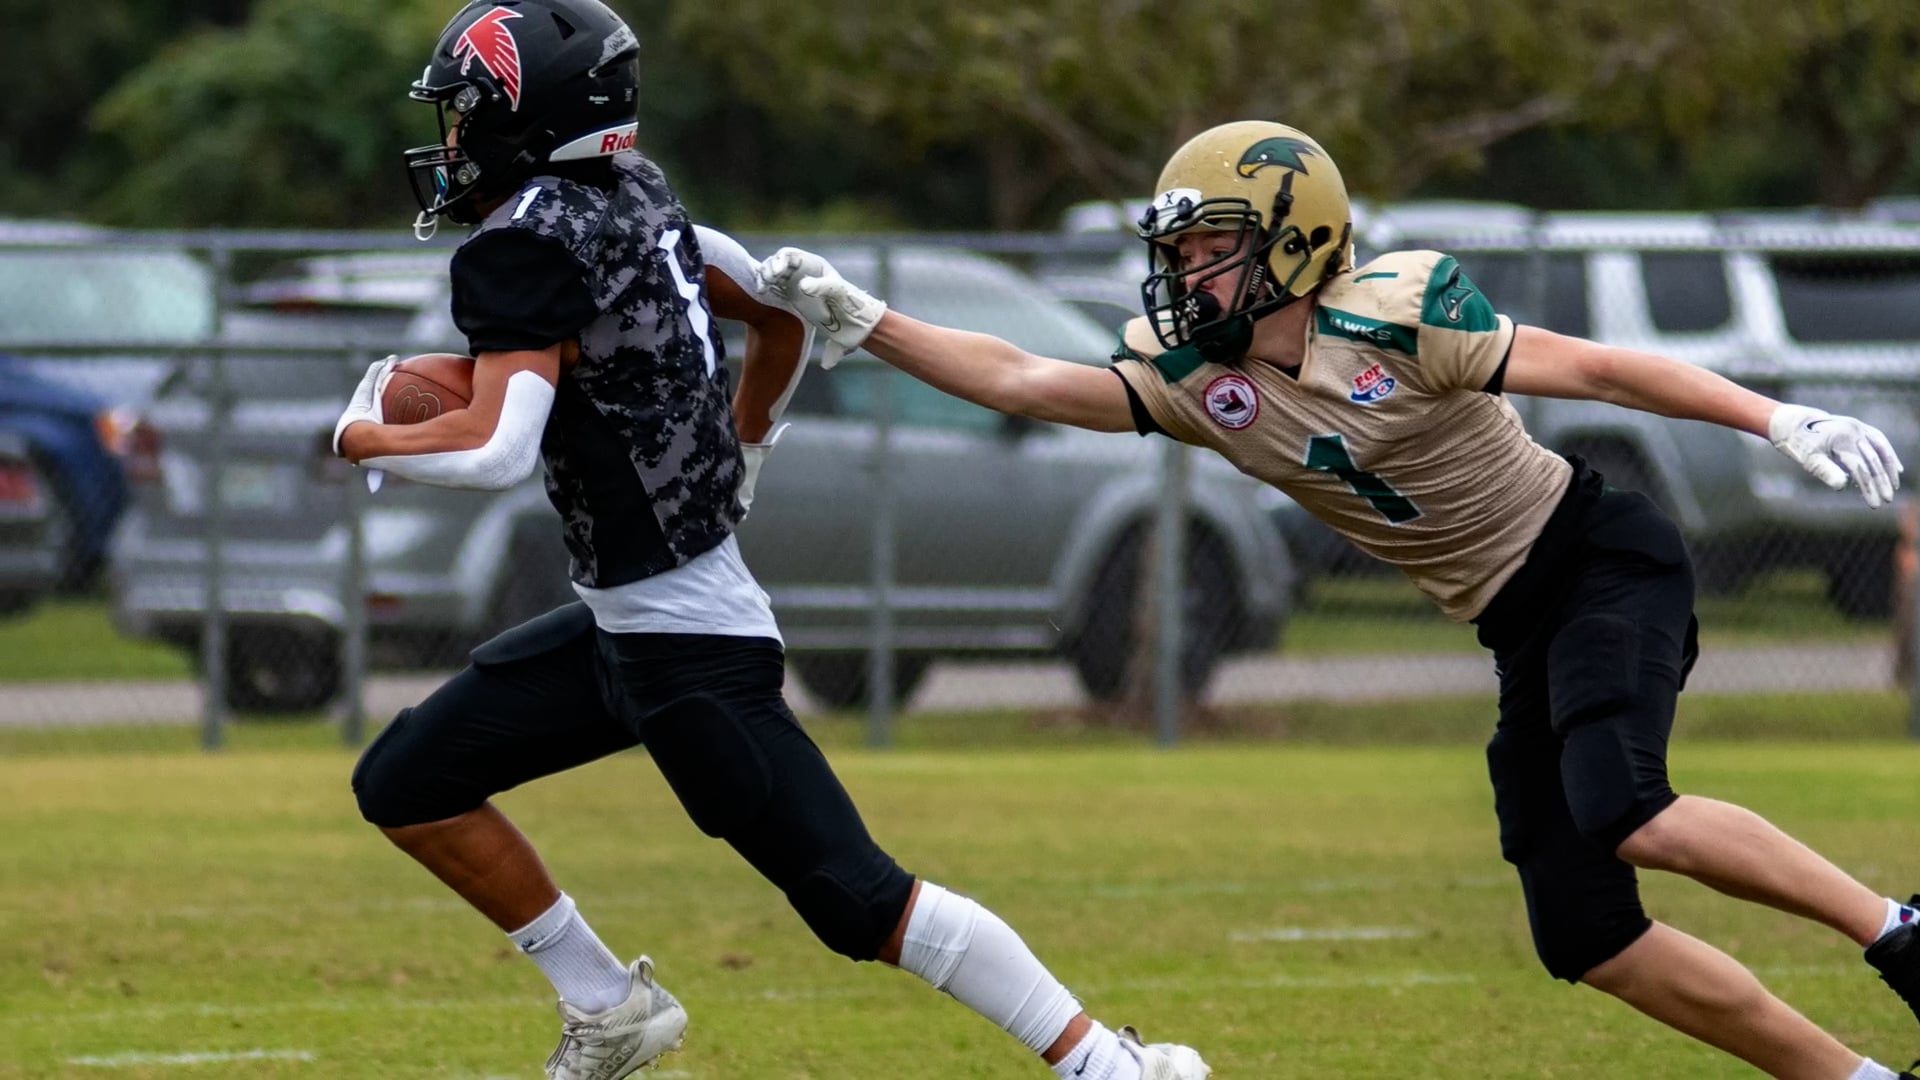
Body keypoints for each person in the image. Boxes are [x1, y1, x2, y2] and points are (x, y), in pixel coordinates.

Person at [761, 118, 1920, 1079]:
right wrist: (869, 323)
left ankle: (1902, 931)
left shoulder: (1401, 310)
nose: (1184, 275)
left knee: (1627, 805)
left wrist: (1779, 417)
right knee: (1591, 939)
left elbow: (1607, 367)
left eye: (1210, 248)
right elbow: (1018, 378)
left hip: (1599, 557)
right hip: (1515, 622)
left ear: (1293, 240)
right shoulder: (1196, 382)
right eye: (1179, 252)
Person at [332, 3, 1211, 1079]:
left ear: (532, 115)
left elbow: (496, 450)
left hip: (689, 649)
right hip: (627, 629)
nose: (453, 140)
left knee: (859, 901)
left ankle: (1111, 1067)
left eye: (468, 115)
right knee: (408, 779)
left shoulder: (526, 245)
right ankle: (608, 1005)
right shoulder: (636, 198)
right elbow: (780, 313)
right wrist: (742, 448)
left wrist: (360, 432)